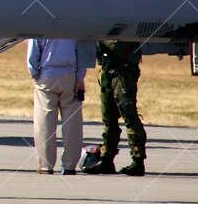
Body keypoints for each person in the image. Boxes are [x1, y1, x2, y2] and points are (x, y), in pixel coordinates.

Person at [28, 38, 92, 174]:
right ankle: (69, 165)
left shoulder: (40, 23)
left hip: (46, 74)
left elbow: (32, 54)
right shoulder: (74, 25)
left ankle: (46, 164)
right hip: (70, 75)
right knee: (72, 123)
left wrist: (35, 75)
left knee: (44, 122)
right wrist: (80, 78)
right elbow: (81, 53)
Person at [83, 41, 147, 176]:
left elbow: (116, 44)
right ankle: (107, 160)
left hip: (123, 73)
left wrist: (100, 36)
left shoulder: (121, 25)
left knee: (129, 116)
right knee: (108, 118)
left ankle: (138, 160)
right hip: (107, 70)